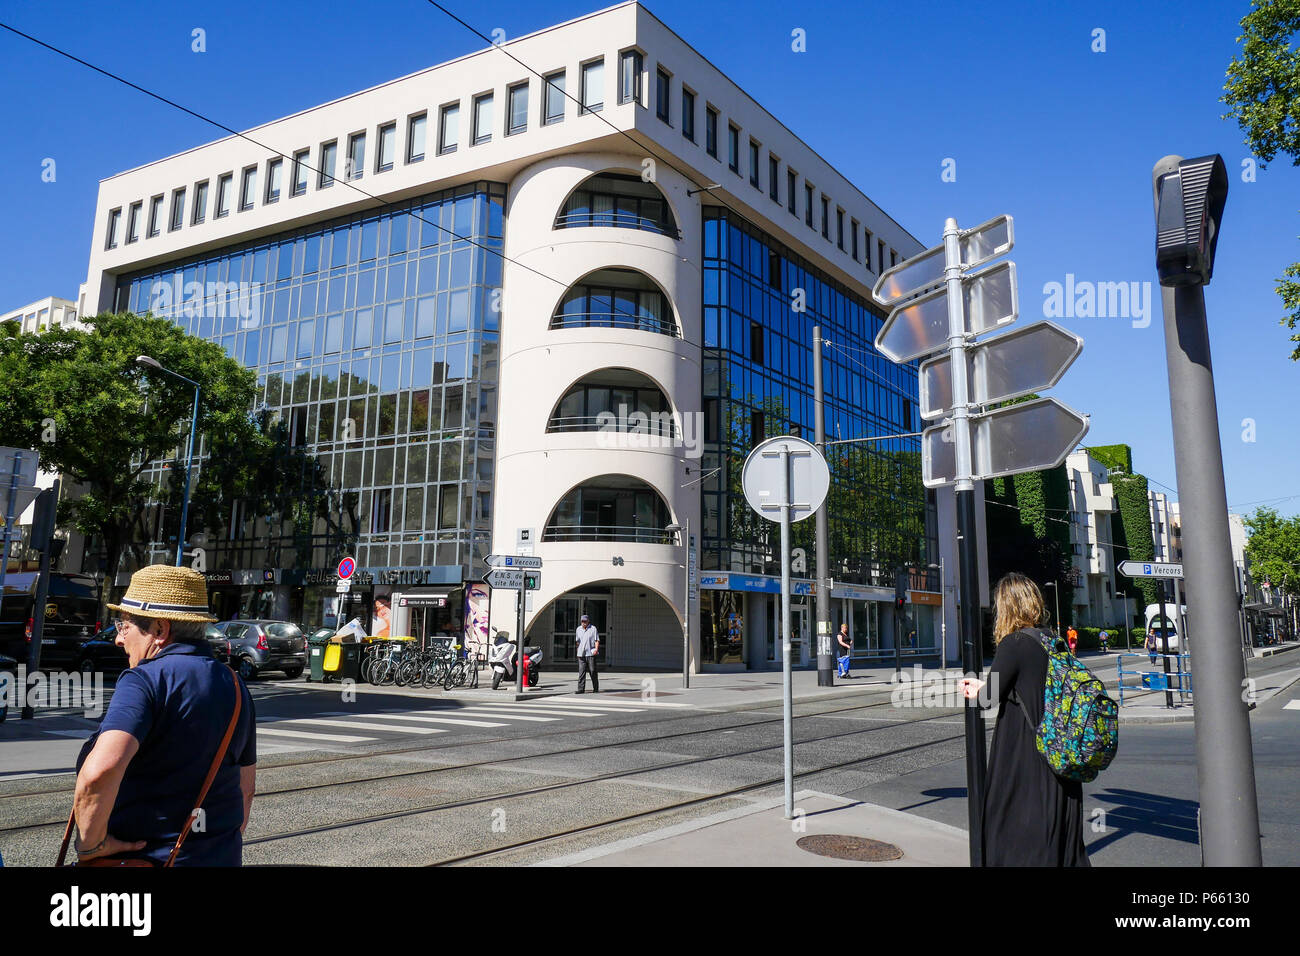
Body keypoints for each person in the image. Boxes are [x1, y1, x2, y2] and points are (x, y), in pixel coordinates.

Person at [69, 565, 256, 866]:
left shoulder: (144, 680)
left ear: (159, 629)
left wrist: (91, 846)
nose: (119, 639)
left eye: (124, 626)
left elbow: (99, 773)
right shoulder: (235, 685)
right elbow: (246, 792)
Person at [958, 572, 1089, 867]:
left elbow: (989, 697)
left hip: (1026, 756)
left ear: (1006, 607)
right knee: (1057, 841)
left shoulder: (1014, 643)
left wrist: (974, 690)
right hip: (1058, 753)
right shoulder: (1052, 641)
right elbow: (1025, 686)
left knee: (1015, 831)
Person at [575, 613, 600, 694]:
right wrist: (577, 650)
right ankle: (581, 689)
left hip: (590, 653)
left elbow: (597, 640)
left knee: (592, 671)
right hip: (581, 654)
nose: (583, 623)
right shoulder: (578, 629)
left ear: (588, 621)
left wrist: (596, 649)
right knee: (581, 672)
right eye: (582, 621)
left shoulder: (593, 629)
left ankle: (595, 688)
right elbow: (578, 641)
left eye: (585, 621)